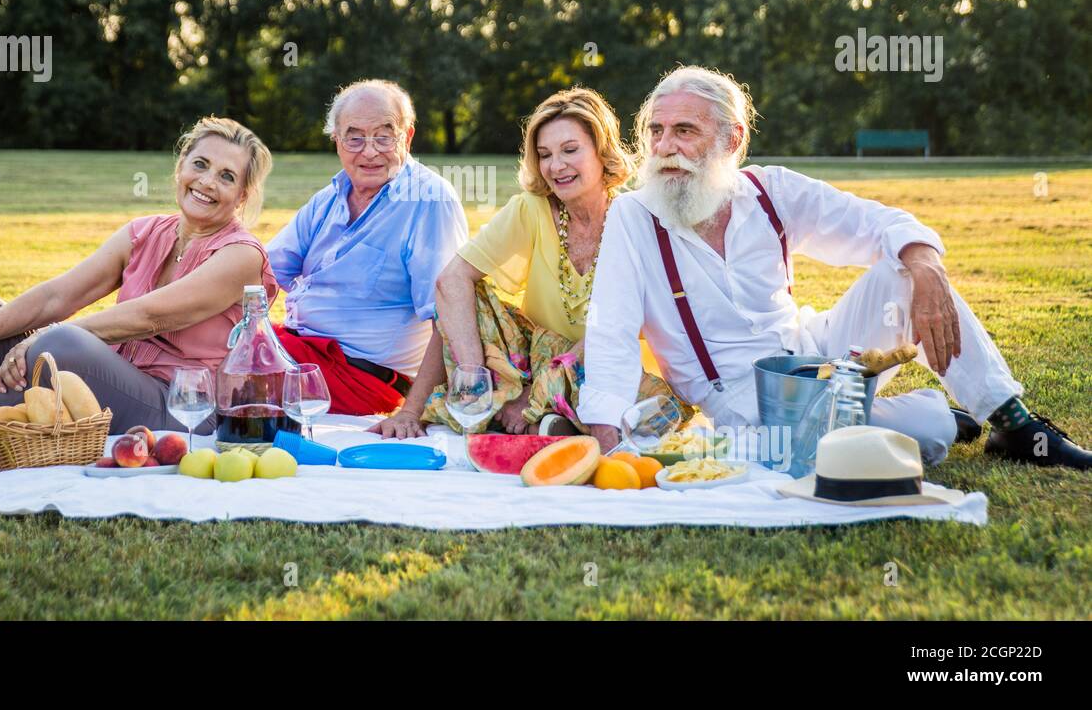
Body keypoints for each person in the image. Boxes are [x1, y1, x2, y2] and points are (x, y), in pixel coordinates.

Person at [576, 65, 1091, 470]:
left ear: (732, 140)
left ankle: (1014, 424)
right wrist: (606, 436)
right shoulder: (633, 215)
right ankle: (925, 416)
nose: (665, 148)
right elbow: (612, 330)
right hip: (744, 404)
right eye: (656, 131)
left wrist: (927, 266)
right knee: (928, 431)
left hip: (816, 351)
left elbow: (877, 223)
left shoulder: (769, 191)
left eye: (684, 131)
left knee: (905, 269)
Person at [0, 117, 279, 458]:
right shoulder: (145, 232)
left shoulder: (242, 256)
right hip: (104, 376)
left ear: (242, 195)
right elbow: (57, 296)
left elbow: (149, 316)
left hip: (177, 405)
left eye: (226, 176)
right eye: (200, 164)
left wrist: (43, 341)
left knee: (60, 342)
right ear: (181, 166)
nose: (206, 182)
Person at [375, 87, 676, 439]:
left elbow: (610, 333)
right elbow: (451, 281)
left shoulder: (634, 219)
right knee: (465, 298)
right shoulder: (530, 208)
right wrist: (474, 379)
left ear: (602, 151)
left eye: (570, 150)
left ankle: (541, 419)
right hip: (526, 365)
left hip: (595, 368)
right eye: (545, 154)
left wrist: (534, 398)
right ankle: (518, 412)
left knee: (659, 413)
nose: (555, 166)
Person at [267, 79, 469, 415]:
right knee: (209, 340)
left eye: (384, 136)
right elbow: (264, 271)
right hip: (302, 351)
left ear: (407, 137)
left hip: (361, 377)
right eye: (355, 137)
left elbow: (449, 318)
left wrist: (411, 413)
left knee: (222, 366)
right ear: (337, 141)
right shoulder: (330, 197)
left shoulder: (428, 200)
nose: (370, 151)